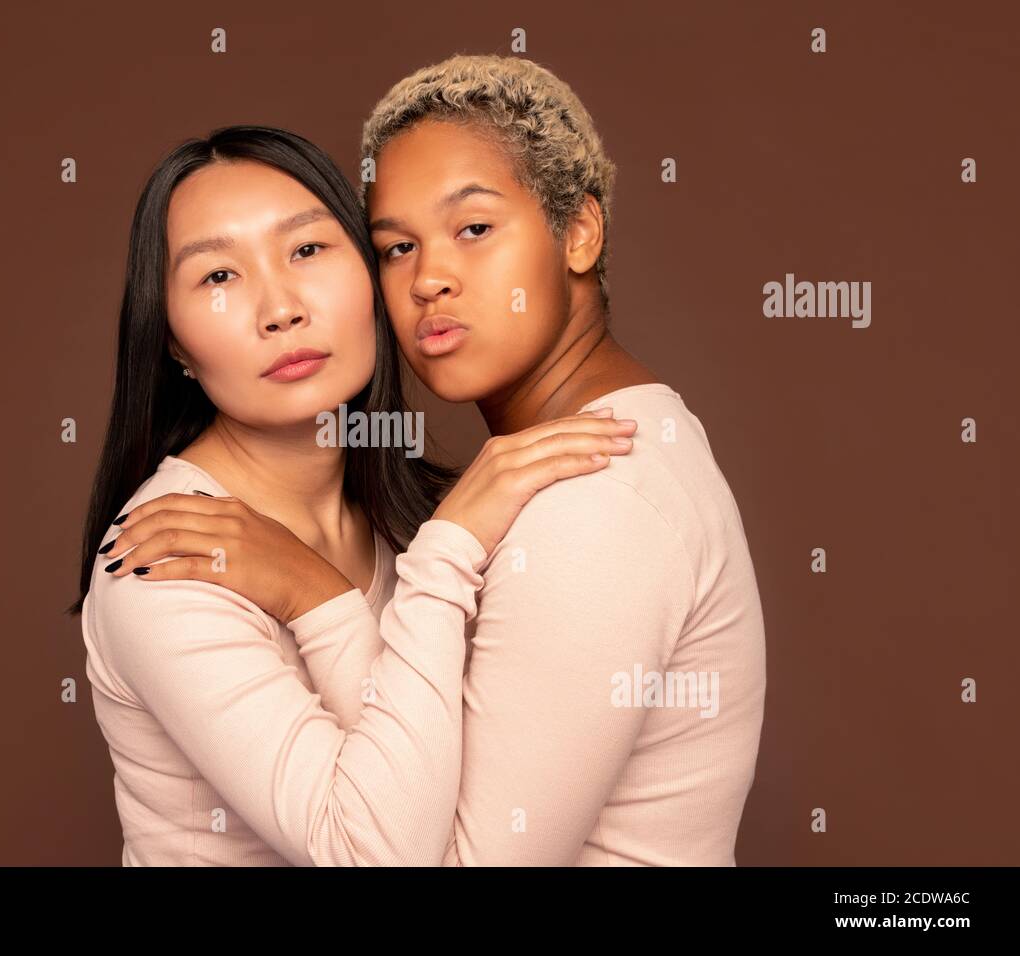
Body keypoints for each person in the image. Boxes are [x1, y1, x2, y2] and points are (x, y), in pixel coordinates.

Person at [121, 55, 767, 866]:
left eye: (474, 229)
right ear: (172, 338)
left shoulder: (589, 502)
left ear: (579, 232)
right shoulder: (180, 546)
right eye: (396, 247)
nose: (430, 279)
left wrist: (318, 590)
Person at [70, 124, 637, 865]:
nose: (280, 308)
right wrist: (327, 595)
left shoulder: (405, 517)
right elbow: (378, 853)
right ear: (174, 341)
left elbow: (466, 806)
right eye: (218, 277)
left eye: (307, 250)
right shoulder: (166, 557)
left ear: (373, 276)